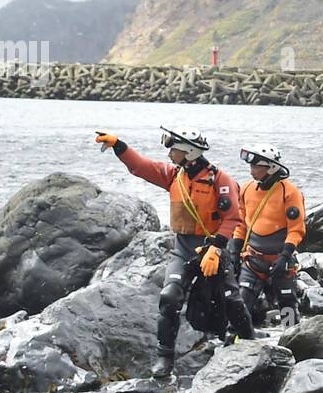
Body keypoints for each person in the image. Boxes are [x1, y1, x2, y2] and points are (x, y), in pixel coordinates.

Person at [94, 127, 250, 377]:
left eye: (173, 149)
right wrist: (118, 146)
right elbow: (141, 167)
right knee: (169, 297)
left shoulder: (220, 180)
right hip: (183, 248)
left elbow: (233, 218)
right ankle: (164, 356)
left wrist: (216, 248)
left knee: (231, 300)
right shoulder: (174, 176)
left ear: (188, 152)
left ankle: (250, 343)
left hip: (213, 248)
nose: (169, 154)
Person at [230, 144, 306, 327]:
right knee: (241, 303)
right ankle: (236, 341)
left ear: (271, 168)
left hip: (281, 261)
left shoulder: (289, 192)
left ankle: (289, 340)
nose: (251, 171)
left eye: (256, 167)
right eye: (251, 166)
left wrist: (285, 257)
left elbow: (296, 229)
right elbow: (241, 224)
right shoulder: (247, 188)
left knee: (287, 304)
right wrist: (234, 252)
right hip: (253, 260)